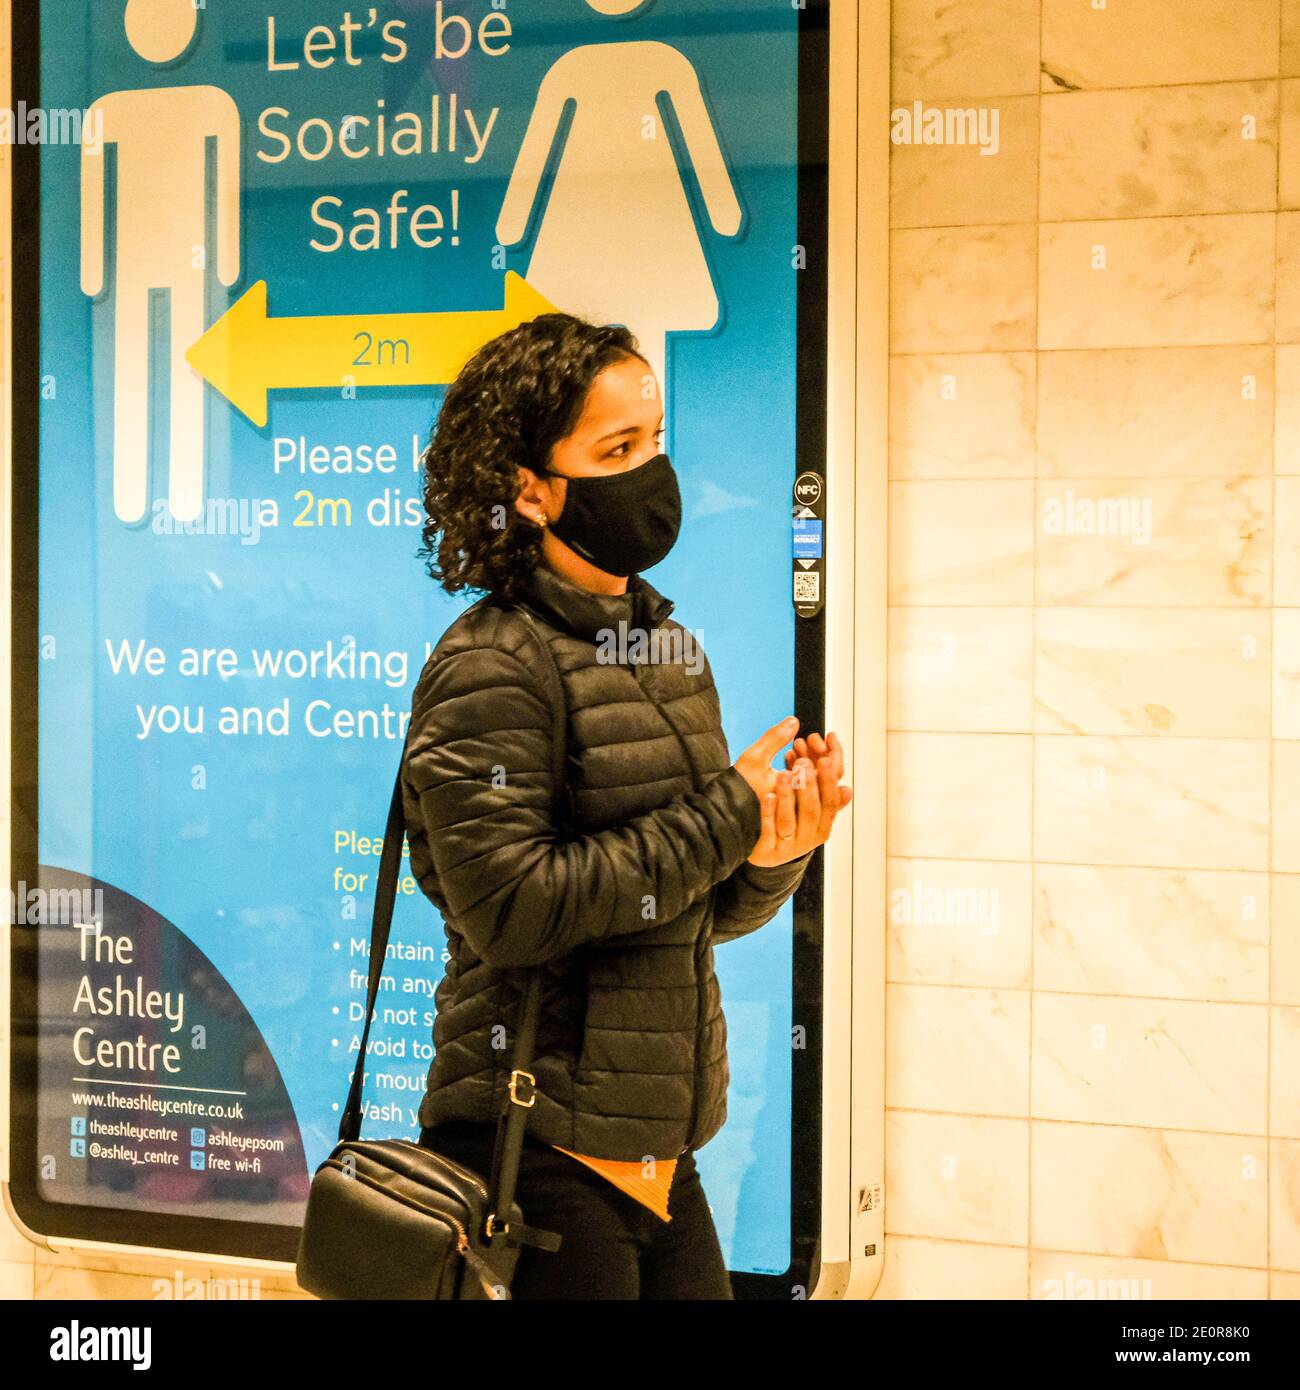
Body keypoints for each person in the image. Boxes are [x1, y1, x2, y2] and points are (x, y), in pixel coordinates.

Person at [405, 312, 851, 1299]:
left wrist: (776, 848)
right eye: (617, 450)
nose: (650, 473)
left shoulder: (666, 650)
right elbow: (513, 911)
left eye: (654, 442)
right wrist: (727, 812)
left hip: (662, 1161)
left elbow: (691, 911)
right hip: (532, 1164)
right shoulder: (491, 664)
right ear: (528, 489)